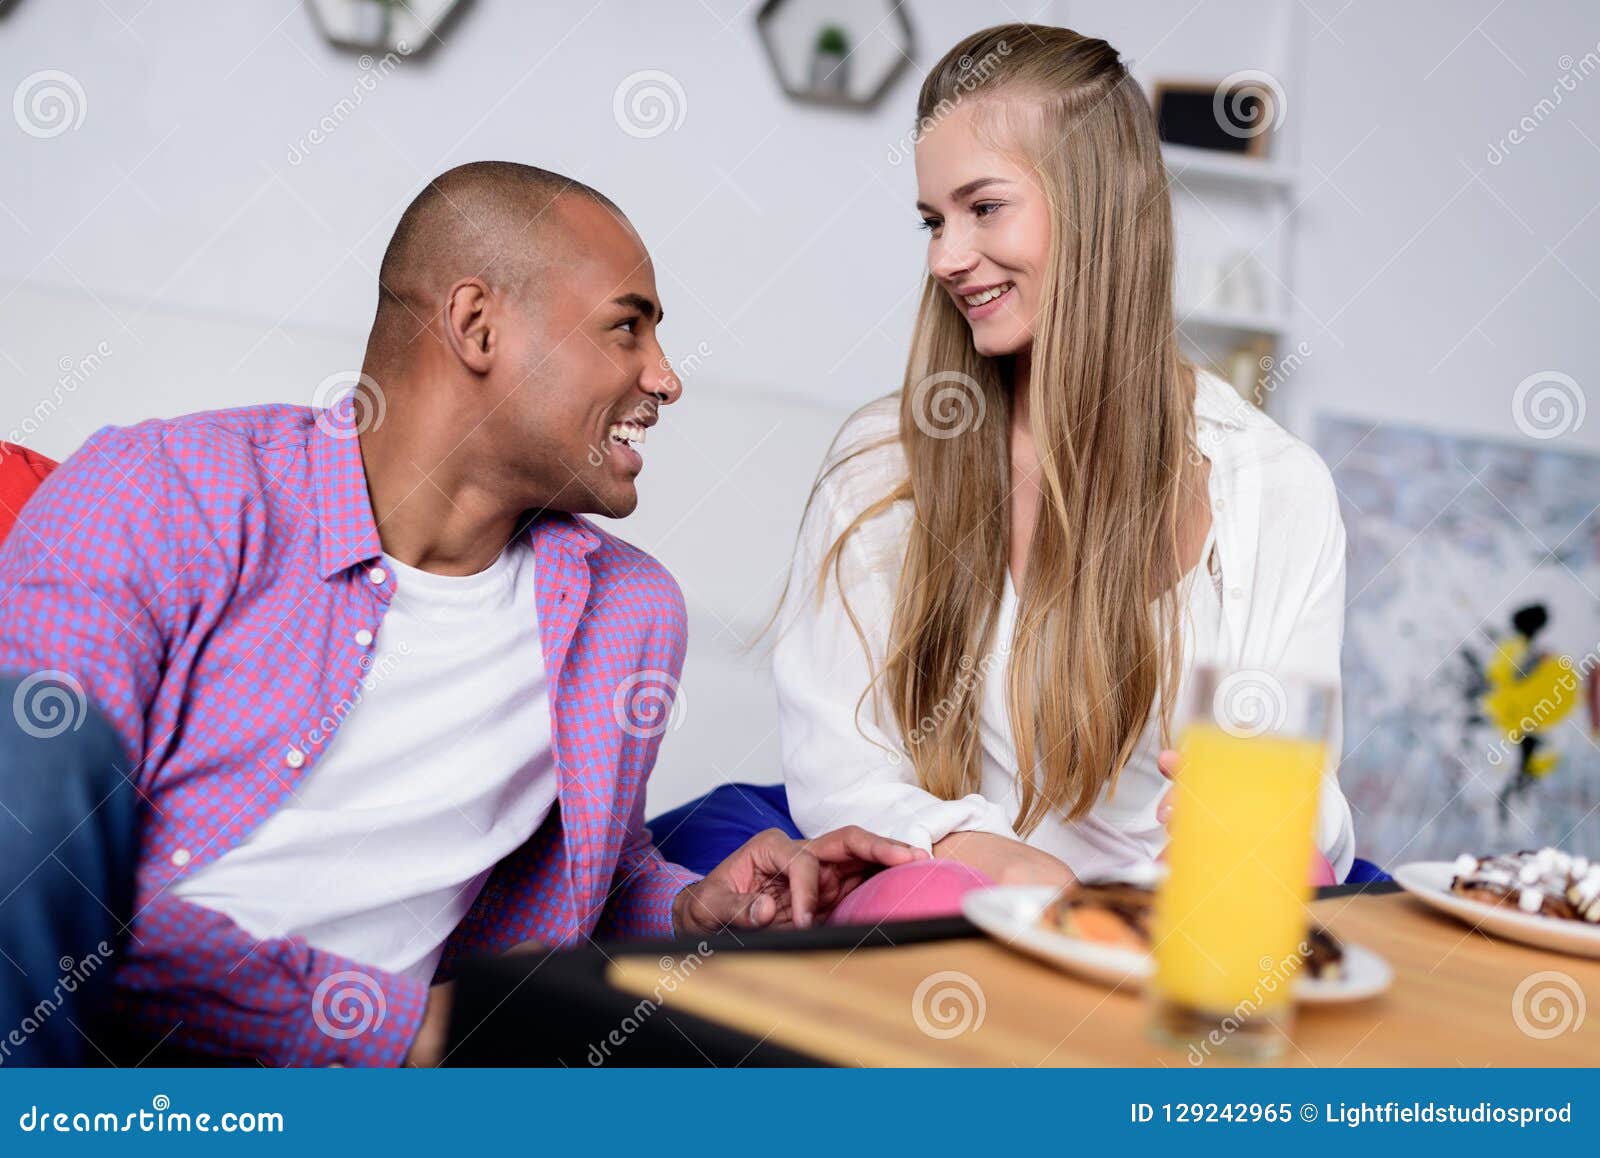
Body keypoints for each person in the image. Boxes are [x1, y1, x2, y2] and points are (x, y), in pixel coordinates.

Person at [0, 161, 922, 1067]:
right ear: (478, 326)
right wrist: (405, 1031)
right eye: (626, 329)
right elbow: (37, 852)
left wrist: (688, 910)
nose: (667, 378)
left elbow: (599, 872)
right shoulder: (163, 491)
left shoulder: (626, 613)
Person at [773, 24, 1354, 905]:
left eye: (984, 207)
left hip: (1173, 911)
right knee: (922, 896)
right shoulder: (877, 464)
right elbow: (838, 766)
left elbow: (1309, 801)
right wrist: (1009, 864)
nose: (945, 258)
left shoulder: (1275, 488)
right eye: (934, 220)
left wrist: (1247, 813)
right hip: (969, 892)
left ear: (1098, 205)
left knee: (1287, 875)